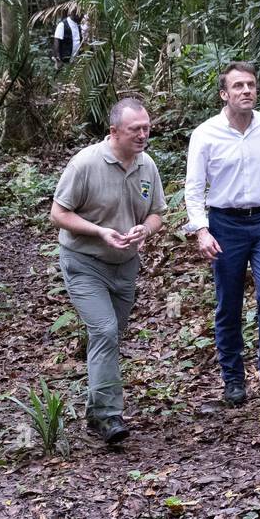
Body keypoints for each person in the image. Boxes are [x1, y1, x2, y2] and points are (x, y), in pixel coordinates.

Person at [50, 98, 166, 445]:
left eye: (146, 127)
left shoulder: (147, 166)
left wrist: (145, 229)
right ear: (114, 131)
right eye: (136, 129)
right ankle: (108, 416)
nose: (144, 134)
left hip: (125, 266)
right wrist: (100, 231)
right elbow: (58, 214)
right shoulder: (85, 163)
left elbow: (157, 212)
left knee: (111, 336)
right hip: (84, 262)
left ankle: (95, 408)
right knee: (104, 330)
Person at [184, 62, 260, 407]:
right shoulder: (205, 133)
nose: (246, 91)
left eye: (251, 85)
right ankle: (233, 380)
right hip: (225, 224)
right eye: (238, 86)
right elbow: (194, 187)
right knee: (228, 302)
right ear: (224, 94)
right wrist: (201, 229)